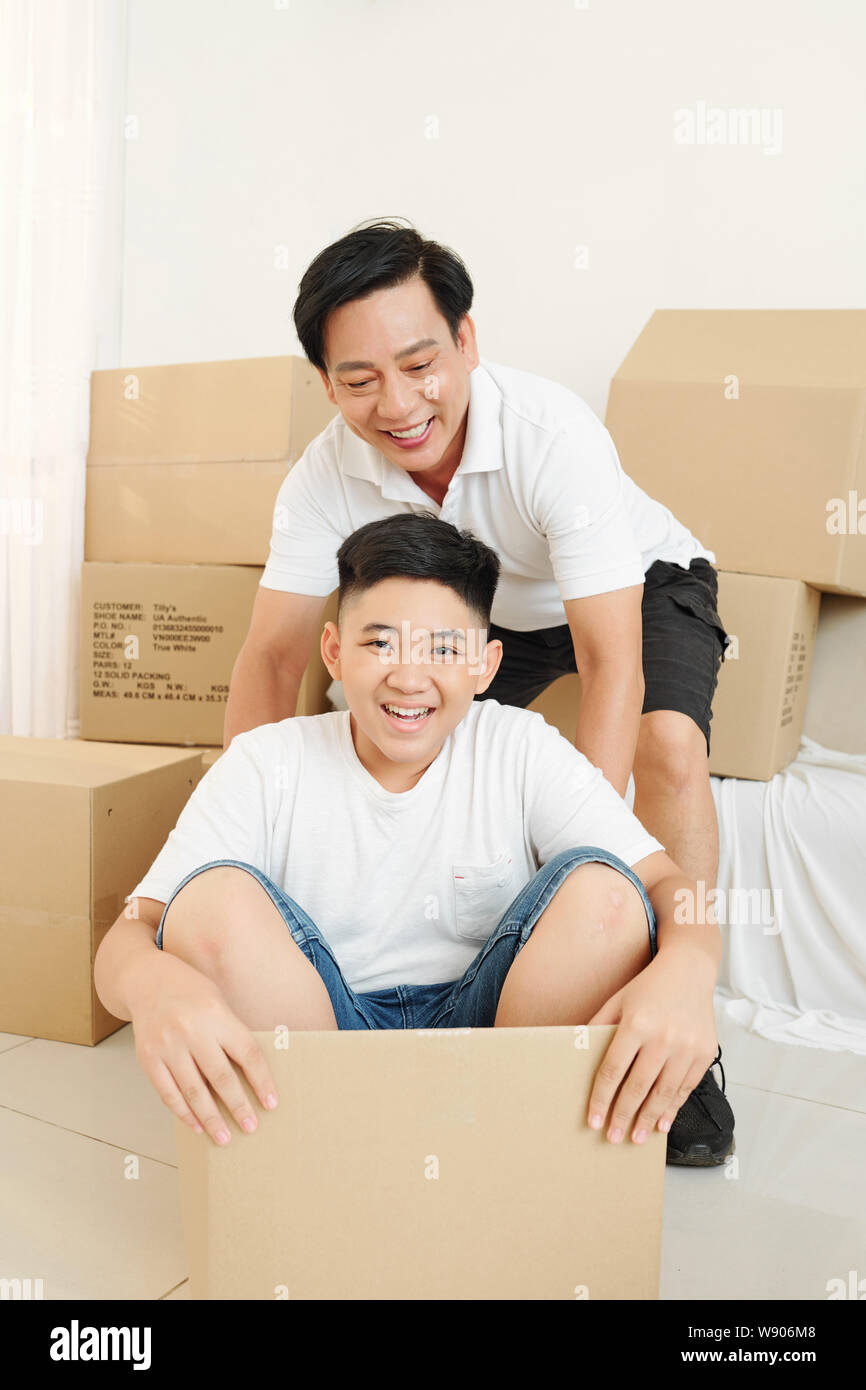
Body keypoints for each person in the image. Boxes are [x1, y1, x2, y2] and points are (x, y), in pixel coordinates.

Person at [94, 513, 734, 1168]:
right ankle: (327, 1158)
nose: (409, 677)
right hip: (324, 1042)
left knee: (609, 894)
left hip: (494, 1043)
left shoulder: (518, 745)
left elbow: (666, 888)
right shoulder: (266, 762)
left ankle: (517, 1153)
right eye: (380, 644)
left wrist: (688, 973)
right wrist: (154, 987)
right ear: (335, 653)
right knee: (208, 903)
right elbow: (129, 934)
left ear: (486, 665)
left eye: (443, 649)